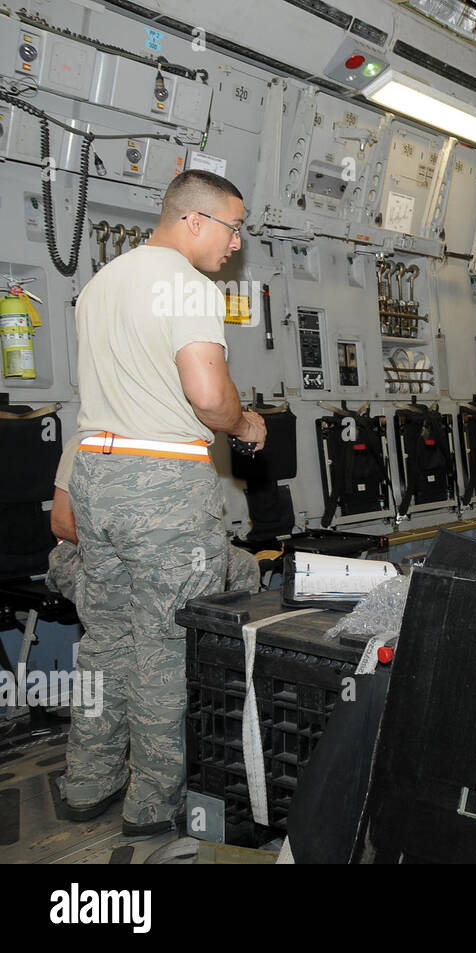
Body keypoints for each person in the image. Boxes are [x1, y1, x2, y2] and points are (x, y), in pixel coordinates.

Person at [62, 169, 266, 837]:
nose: (236, 244)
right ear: (195, 220)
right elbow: (208, 396)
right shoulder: (187, 285)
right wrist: (245, 425)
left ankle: (87, 782)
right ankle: (154, 804)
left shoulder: (97, 287)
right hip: (163, 483)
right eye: (233, 227)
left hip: (97, 475)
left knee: (107, 638)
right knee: (165, 643)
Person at [48, 436, 262, 603]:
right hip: (92, 549)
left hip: (172, 544)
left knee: (243, 564)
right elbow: (61, 522)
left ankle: (218, 646)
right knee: (148, 582)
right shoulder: (90, 442)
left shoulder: (189, 443)